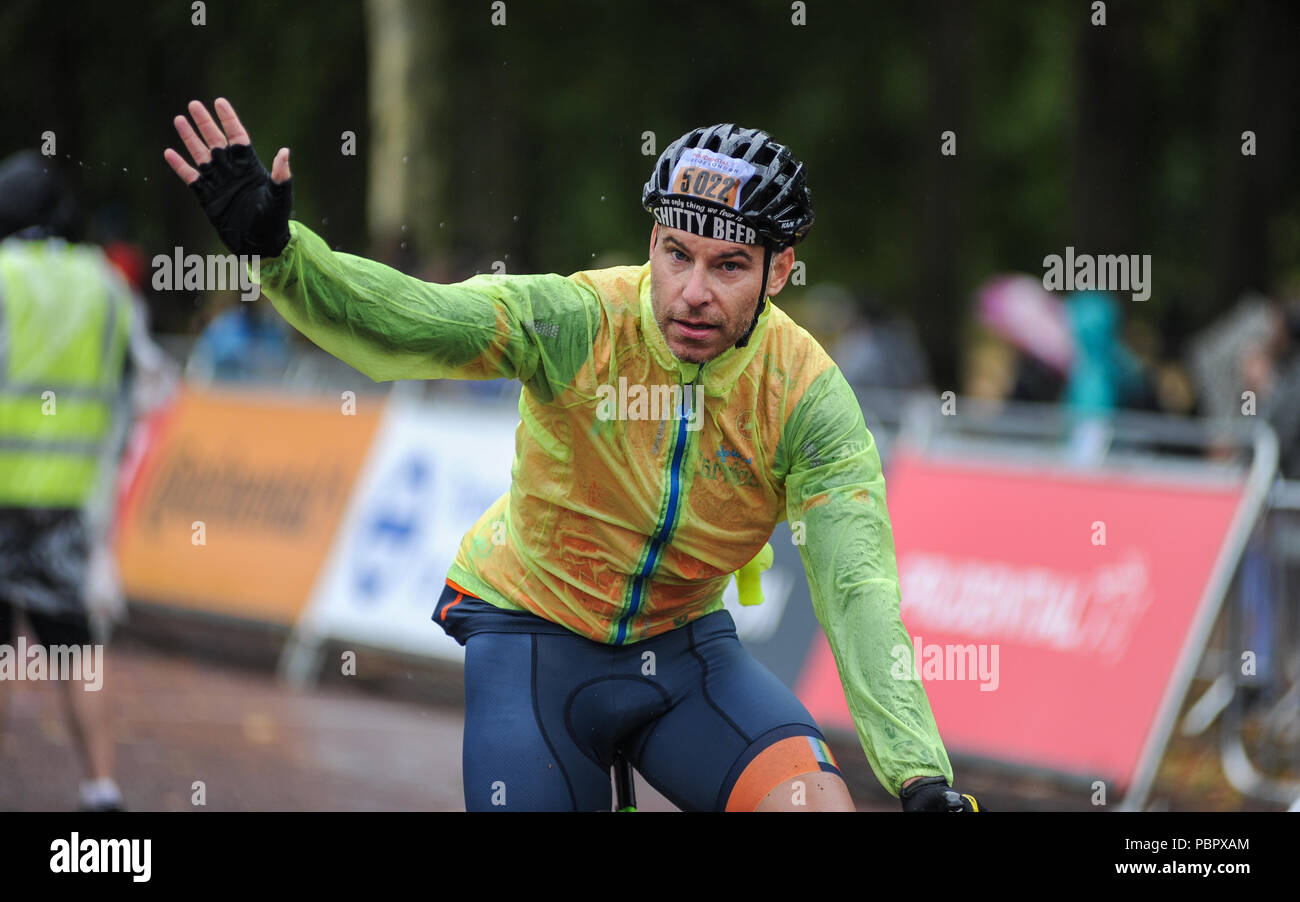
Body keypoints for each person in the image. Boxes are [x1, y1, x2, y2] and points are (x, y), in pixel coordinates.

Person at [164, 98, 980, 812]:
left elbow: (858, 588)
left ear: (780, 271)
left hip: (685, 649)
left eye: (729, 265)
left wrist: (920, 777)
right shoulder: (577, 321)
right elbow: (409, 324)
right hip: (533, 637)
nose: (694, 290)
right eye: (676, 254)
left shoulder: (806, 395)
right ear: (651, 243)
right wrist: (281, 255)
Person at [0, 150, 134, 811]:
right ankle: (102, 790)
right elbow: (143, 377)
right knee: (77, 648)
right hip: (69, 498)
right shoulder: (102, 282)